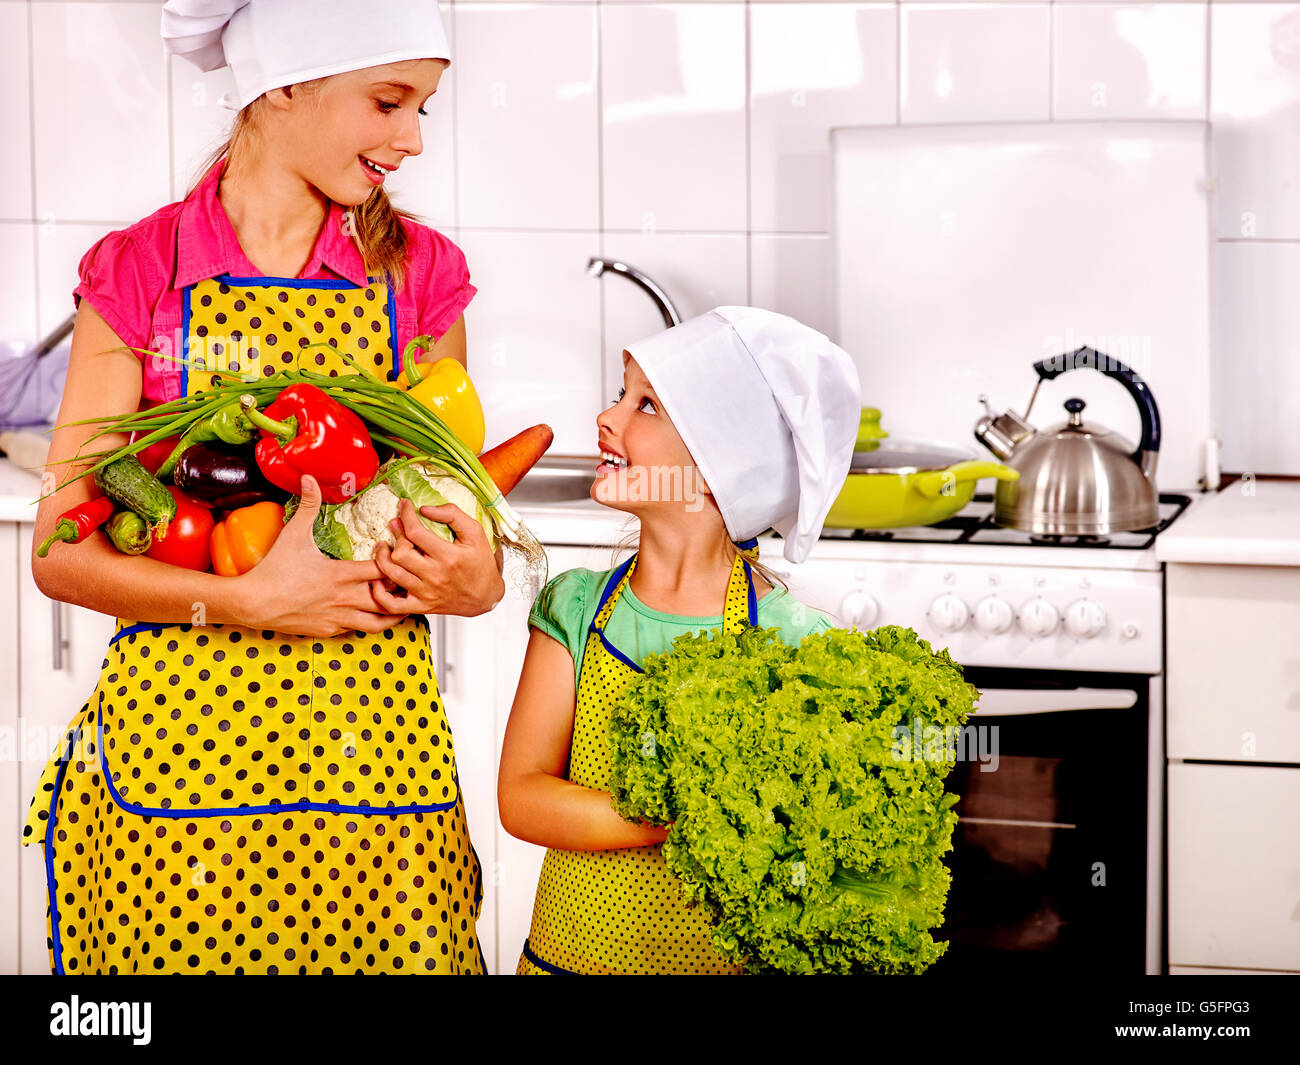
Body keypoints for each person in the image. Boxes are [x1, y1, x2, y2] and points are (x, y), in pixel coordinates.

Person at [22, 0, 501, 974]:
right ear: (281, 85)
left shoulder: (417, 278)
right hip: (183, 763)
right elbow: (58, 551)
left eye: (423, 108)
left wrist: (475, 582)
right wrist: (242, 600)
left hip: (376, 760)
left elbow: (459, 523)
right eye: (388, 100)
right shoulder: (142, 272)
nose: (411, 139)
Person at [497, 306, 861, 975]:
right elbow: (521, 795)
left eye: (648, 406)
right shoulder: (577, 607)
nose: (608, 419)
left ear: (722, 462)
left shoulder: (793, 642)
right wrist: (682, 819)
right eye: (620, 394)